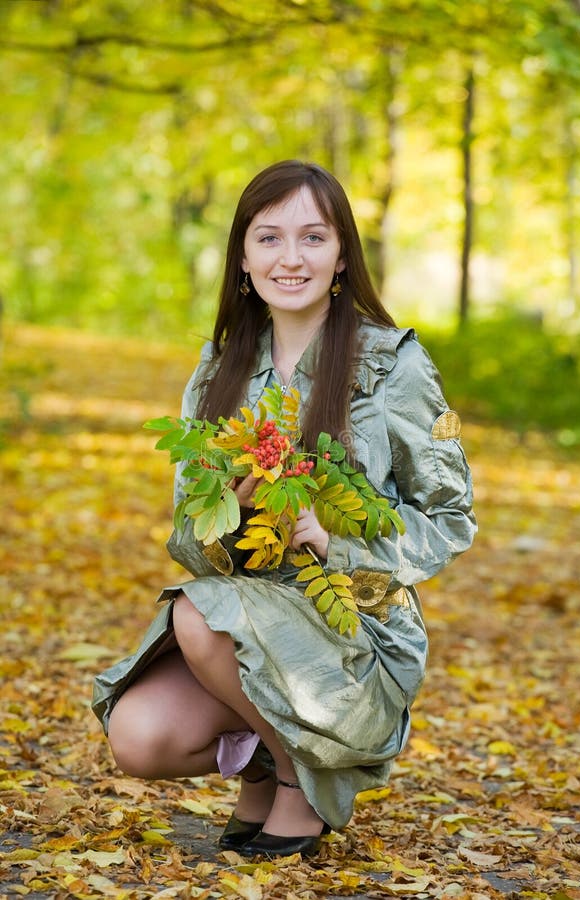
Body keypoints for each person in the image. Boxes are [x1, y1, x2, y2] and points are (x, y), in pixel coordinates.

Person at [92, 160, 476, 858]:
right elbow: (190, 536)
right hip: (244, 629)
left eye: (313, 238)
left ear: (340, 256)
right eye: (268, 238)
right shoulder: (218, 370)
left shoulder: (394, 366)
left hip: (357, 630)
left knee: (196, 611)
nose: (290, 258)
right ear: (242, 258)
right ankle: (279, 758)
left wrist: (337, 540)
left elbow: (452, 518)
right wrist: (229, 521)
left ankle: (304, 782)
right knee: (140, 737)